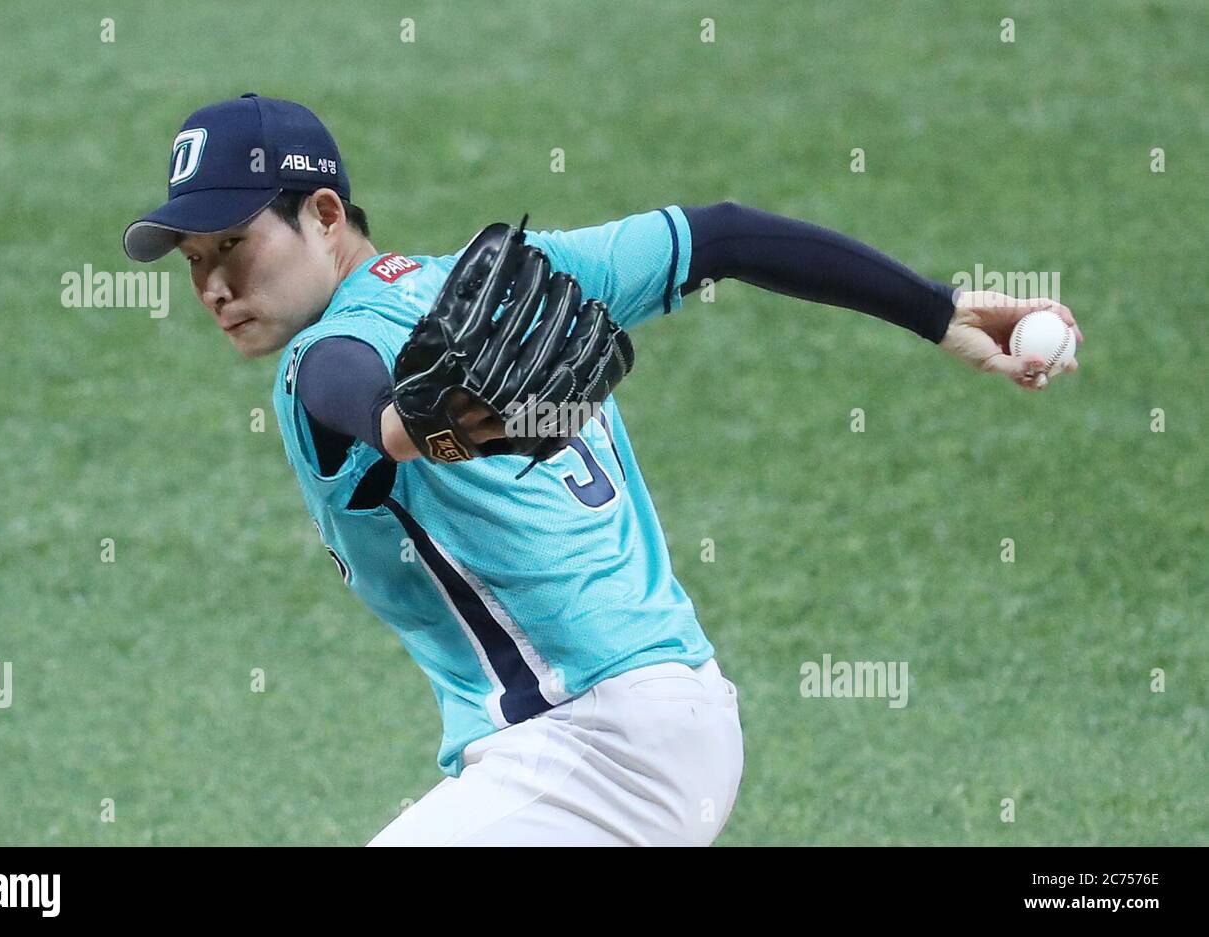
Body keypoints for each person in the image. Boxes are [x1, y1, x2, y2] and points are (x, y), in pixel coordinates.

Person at [123, 94, 1082, 846]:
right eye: (195, 259)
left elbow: (355, 389)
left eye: (235, 245)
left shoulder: (314, 360)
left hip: (591, 744)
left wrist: (405, 426)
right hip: (678, 716)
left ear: (325, 213)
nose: (213, 284)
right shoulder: (521, 273)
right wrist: (936, 309)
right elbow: (729, 235)